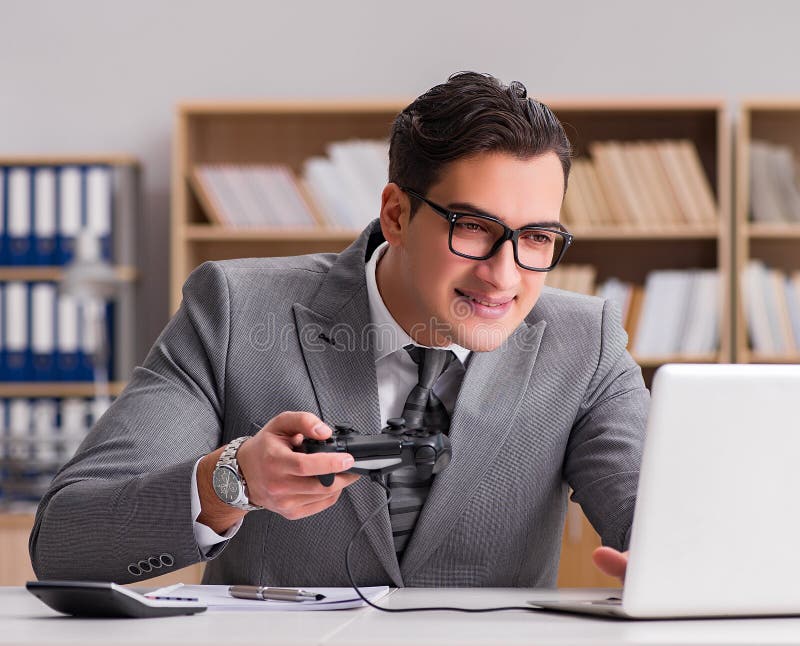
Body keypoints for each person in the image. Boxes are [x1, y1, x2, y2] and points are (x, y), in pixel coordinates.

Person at [30, 71, 646, 587]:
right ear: (397, 215)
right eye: (474, 228)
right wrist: (231, 482)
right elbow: (63, 541)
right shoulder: (235, 309)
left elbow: (655, 513)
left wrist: (676, 552)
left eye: (536, 238)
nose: (503, 275)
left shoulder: (583, 341)